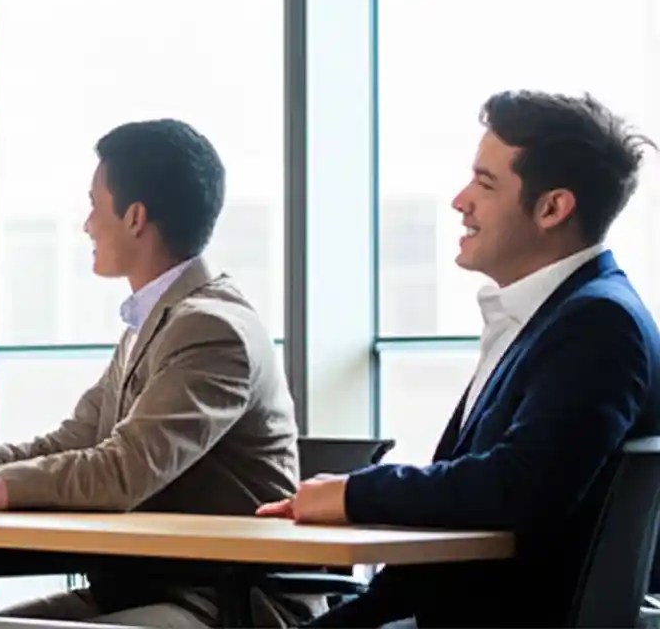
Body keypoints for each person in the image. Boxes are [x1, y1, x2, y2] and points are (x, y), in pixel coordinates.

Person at [0, 119, 310, 627]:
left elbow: (120, 471)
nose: (86, 225)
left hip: (227, 606)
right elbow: (70, 442)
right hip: (146, 591)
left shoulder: (212, 330)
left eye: (94, 205)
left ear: (136, 217)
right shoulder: (157, 323)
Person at [258, 90, 660, 627]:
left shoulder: (597, 325)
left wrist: (355, 493)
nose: (460, 200)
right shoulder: (556, 316)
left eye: (485, 183)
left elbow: (519, 486)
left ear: (552, 208)